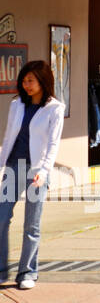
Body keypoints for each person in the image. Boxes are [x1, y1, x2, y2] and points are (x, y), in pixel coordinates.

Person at [1, 60, 65, 290]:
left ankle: (27, 272)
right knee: (1, 217)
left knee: (32, 224)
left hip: (37, 170)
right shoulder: (17, 104)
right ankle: (1, 271)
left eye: (31, 81)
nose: (26, 85)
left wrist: (45, 171)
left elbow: (52, 144)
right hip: (13, 166)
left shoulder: (55, 108)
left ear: (42, 81)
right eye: (24, 81)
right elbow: (8, 137)